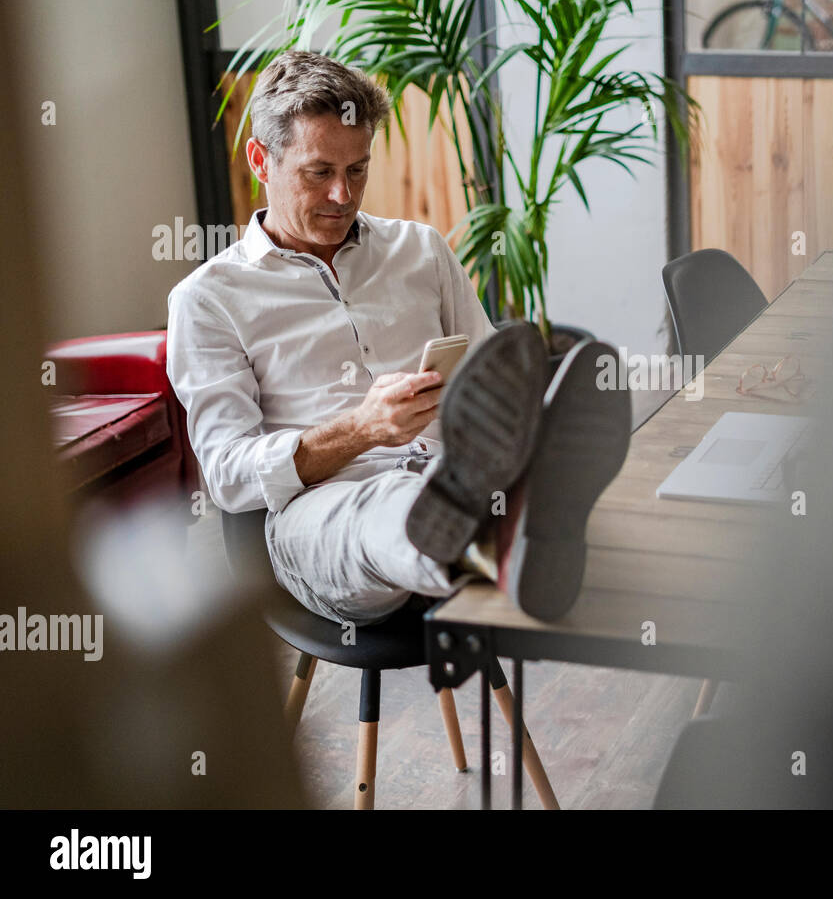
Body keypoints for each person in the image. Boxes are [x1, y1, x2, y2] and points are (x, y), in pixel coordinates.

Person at [167, 51, 628, 625]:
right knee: (388, 508)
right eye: (320, 172)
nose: (343, 194)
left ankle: (506, 526)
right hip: (320, 515)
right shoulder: (208, 299)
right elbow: (229, 476)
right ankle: (502, 544)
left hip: (448, 467)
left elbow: (490, 370)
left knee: (474, 464)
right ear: (262, 159)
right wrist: (363, 429)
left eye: (358, 169)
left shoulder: (420, 250)